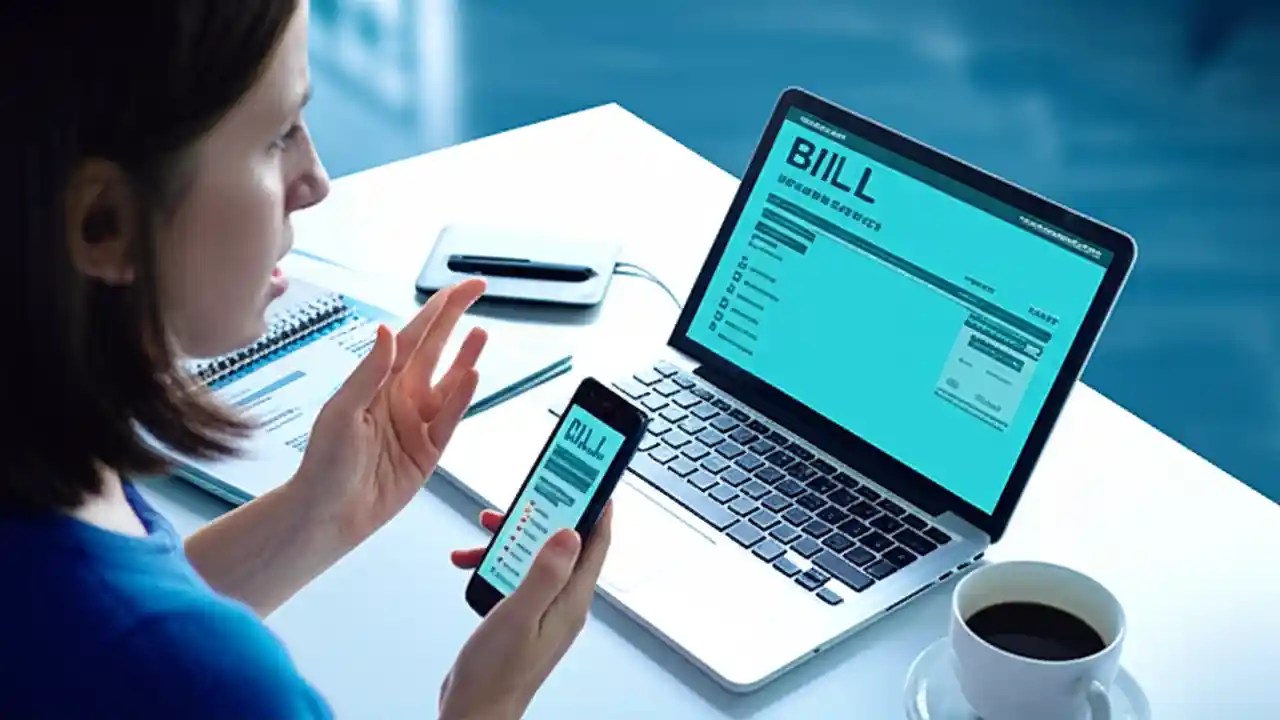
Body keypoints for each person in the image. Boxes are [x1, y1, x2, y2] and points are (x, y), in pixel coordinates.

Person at [0, 2, 611, 718]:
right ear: (101, 223)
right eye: (278, 135)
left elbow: (94, 649)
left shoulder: (42, 475)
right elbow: (152, 664)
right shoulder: (214, 686)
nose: (316, 180)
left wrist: (318, 514)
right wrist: (486, 702)